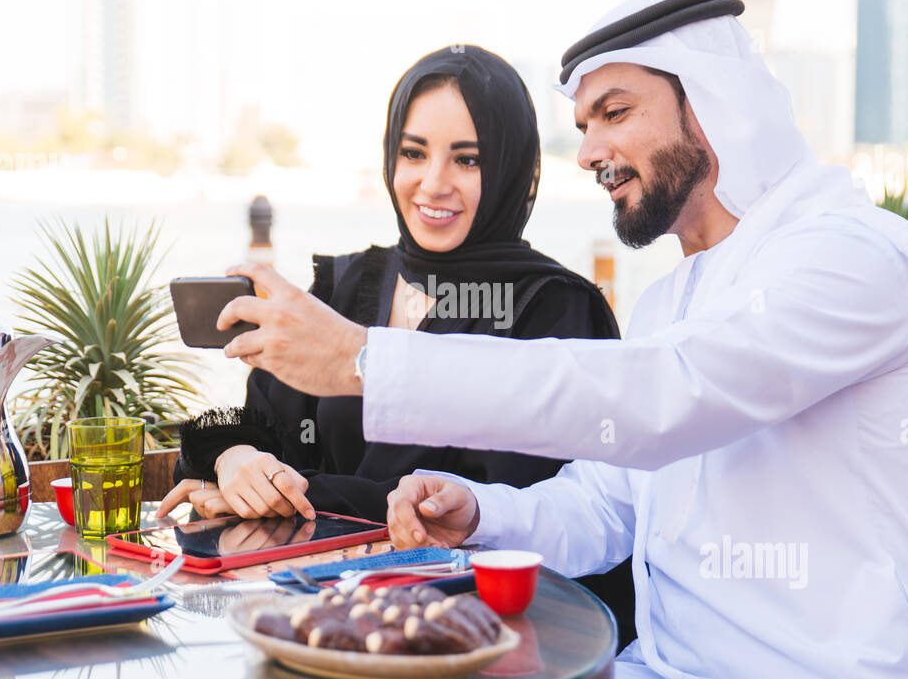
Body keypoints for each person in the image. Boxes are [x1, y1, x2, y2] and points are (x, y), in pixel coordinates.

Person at [214, 0, 908, 679]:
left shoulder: (857, 260)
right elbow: (605, 506)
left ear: (712, 103)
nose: (590, 153)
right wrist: (482, 511)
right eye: (583, 126)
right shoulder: (670, 301)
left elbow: (661, 397)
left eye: (615, 112)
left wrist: (363, 361)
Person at [160, 46, 633, 644]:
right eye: (413, 153)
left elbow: (508, 509)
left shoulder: (555, 306)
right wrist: (232, 459)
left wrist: (292, 491)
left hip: (472, 637)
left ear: (511, 167)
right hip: (317, 624)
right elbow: (251, 421)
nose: (432, 183)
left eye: (468, 159)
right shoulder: (348, 283)